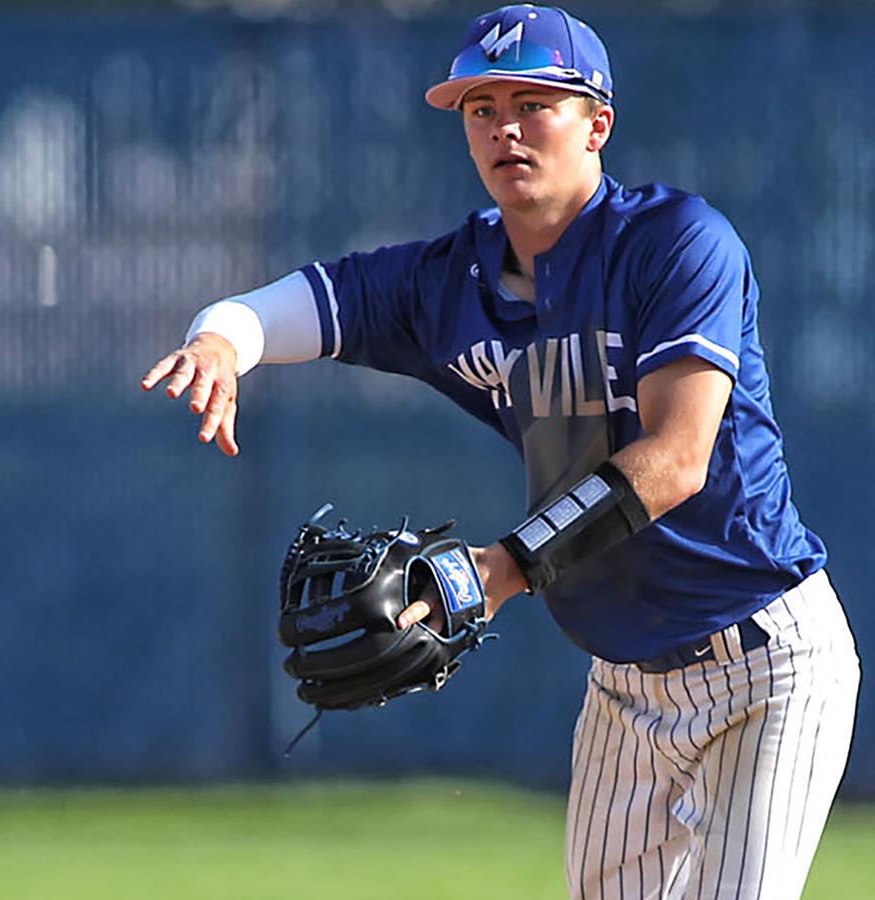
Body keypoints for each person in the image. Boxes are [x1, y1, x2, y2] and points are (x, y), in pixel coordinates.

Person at [140, 6, 860, 899]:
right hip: (624, 683)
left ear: (597, 122)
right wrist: (220, 342)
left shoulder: (676, 245)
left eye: (533, 102)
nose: (505, 128)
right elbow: (298, 304)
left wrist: (502, 568)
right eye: (482, 108)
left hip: (763, 659)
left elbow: (676, 461)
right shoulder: (450, 282)